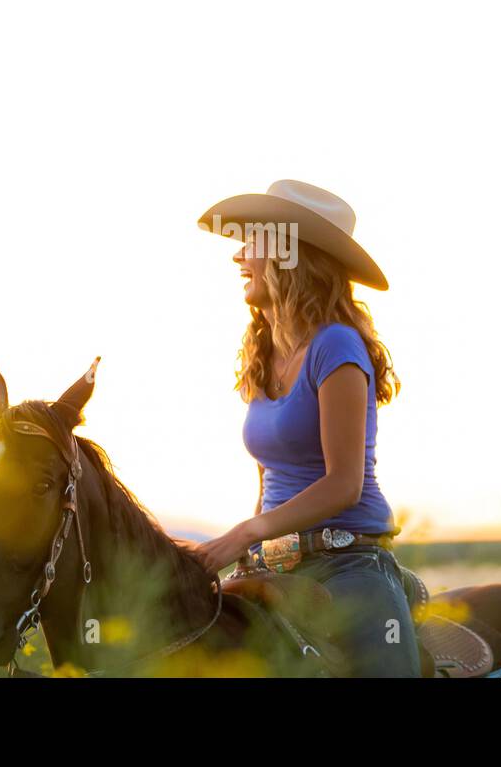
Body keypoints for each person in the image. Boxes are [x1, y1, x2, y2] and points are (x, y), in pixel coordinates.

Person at [188, 179, 422, 677]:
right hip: (272, 566)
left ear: (288, 254)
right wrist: (248, 552)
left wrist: (243, 533)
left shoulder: (336, 346)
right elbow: (270, 478)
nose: (239, 257)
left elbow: (344, 483)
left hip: (349, 565)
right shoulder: (260, 354)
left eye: (252, 242)